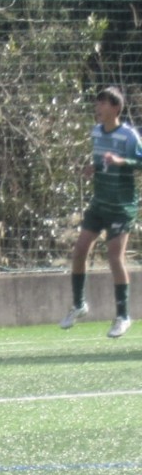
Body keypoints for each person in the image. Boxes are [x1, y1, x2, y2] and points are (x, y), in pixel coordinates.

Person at [59, 86, 142, 338]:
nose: (97, 108)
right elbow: (101, 162)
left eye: (103, 104)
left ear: (115, 108)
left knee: (114, 256)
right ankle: (79, 304)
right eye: (97, 104)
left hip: (121, 207)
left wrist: (122, 162)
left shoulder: (128, 136)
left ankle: (122, 316)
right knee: (80, 250)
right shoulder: (96, 132)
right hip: (99, 204)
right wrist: (92, 168)